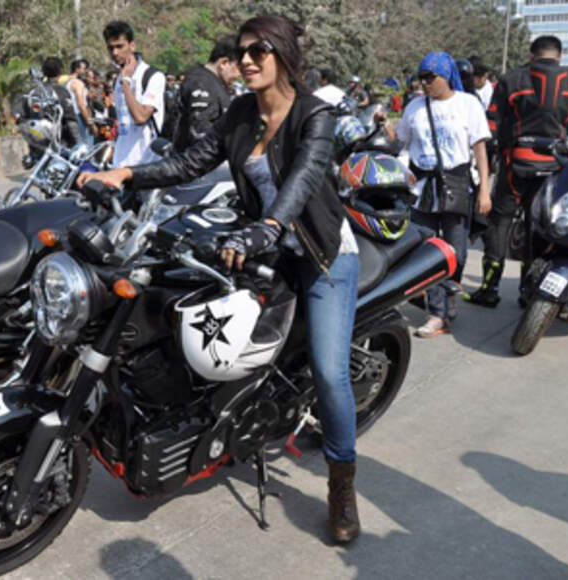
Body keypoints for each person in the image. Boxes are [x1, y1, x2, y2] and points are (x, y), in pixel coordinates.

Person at [77, 14, 364, 544]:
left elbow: (301, 180)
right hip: (266, 249)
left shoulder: (313, 114)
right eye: (244, 51)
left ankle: (341, 485)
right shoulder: (239, 113)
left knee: (329, 373)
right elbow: (191, 162)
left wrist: (269, 226)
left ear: (284, 55)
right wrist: (127, 174)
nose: (248, 59)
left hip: (322, 256)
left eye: (261, 50)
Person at [466, 35, 568, 308]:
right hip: (553, 165)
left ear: (532, 54)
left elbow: (492, 123)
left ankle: (489, 289)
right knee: (539, 228)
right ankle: (529, 291)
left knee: (499, 223)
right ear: (560, 56)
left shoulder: (511, 79)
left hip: (515, 163)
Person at [388, 52, 491, 337]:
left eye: (430, 77)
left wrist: (484, 189)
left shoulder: (468, 104)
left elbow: (480, 149)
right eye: (421, 77)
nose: (424, 83)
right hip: (422, 189)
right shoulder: (415, 107)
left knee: (455, 253)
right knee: (427, 252)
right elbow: (402, 143)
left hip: (457, 186)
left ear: (446, 76)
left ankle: (447, 298)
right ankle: (437, 313)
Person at [104, 20, 166, 167]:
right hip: (120, 162)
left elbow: (140, 117)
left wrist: (126, 82)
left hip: (145, 164)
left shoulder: (152, 76)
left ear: (132, 45)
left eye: (120, 46)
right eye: (110, 48)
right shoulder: (118, 78)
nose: (115, 53)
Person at [173, 34, 241, 152]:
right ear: (224, 63)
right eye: (239, 68)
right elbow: (200, 134)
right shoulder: (203, 83)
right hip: (195, 163)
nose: (240, 76)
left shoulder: (211, 82)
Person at [66, 58, 96, 144]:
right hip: (79, 116)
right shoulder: (78, 83)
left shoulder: (68, 82)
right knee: (86, 145)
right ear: (77, 69)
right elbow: (81, 104)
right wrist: (88, 121)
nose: (85, 71)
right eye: (83, 68)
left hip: (72, 116)